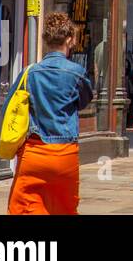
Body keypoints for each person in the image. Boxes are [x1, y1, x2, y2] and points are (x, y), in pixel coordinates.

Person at [7, 12, 95, 215]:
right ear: (70, 39)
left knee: (25, 209)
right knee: (64, 209)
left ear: (45, 40)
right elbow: (84, 101)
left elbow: (11, 106)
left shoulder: (30, 72)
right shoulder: (76, 72)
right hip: (65, 153)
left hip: (34, 152)